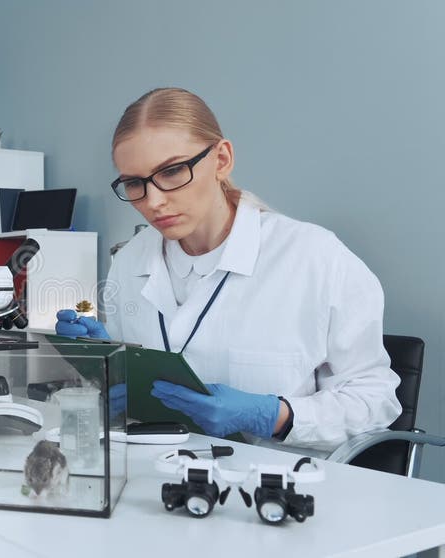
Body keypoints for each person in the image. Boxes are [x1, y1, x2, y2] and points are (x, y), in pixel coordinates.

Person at [56, 87, 401, 455]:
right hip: (157, 476)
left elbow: (375, 400)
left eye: (172, 171)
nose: (153, 201)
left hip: (282, 485)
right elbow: (132, 382)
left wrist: (276, 415)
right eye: (134, 183)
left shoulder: (315, 258)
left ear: (221, 159)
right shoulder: (130, 260)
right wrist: (102, 362)